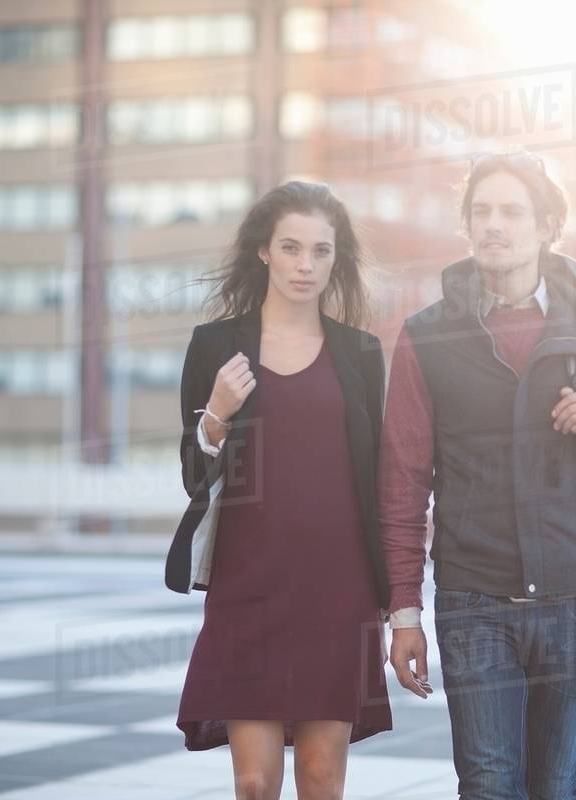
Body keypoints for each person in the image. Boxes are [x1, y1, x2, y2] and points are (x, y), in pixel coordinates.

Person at [379, 150, 576, 799]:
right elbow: (402, 483)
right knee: (491, 785)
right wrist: (404, 610)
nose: (493, 224)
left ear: (547, 227)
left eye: (511, 211)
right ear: (466, 226)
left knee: (554, 786)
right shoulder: (426, 336)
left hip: (573, 600)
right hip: (473, 600)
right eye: (481, 211)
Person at [167, 181, 393, 800]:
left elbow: (378, 480)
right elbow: (194, 474)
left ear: (335, 259)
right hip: (249, 587)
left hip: (339, 593)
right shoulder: (214, 346)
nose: (306, 265)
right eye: (291, 248)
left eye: (321, 252)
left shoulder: (361, 354)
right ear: (264, 251)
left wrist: (399, 602)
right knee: (255, 782)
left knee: (322, 780)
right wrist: (215, 413)